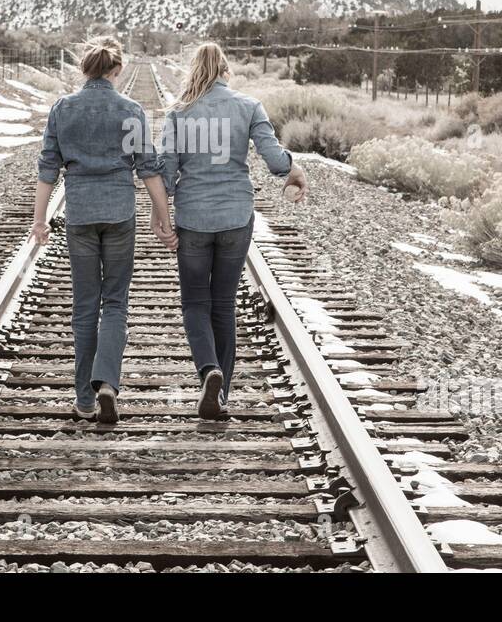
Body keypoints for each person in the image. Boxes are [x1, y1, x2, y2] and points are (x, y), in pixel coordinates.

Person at [33, 37, 177, 425]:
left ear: (85, 70)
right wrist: (163, 215)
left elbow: (49, 167)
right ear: (116, 71)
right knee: (114, 303)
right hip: (118, 213)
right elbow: (148, 168)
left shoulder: (63, 108)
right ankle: (108, 383)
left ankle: (84, 401)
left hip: (80, 214)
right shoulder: (130, 110)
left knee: (84, 307)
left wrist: (39, 218)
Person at [160, 42, 308, 419]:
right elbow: (275, 161)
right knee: (223, 304)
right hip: (236, 217)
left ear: (194, 72)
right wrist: (296, 171)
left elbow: (167, 172)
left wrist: (161, 208)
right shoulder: (249, 106)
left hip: (193, 218)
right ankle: (221, 393)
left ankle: (208, 369)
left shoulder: (179, 113)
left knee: (195, 302)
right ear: (225, 71)